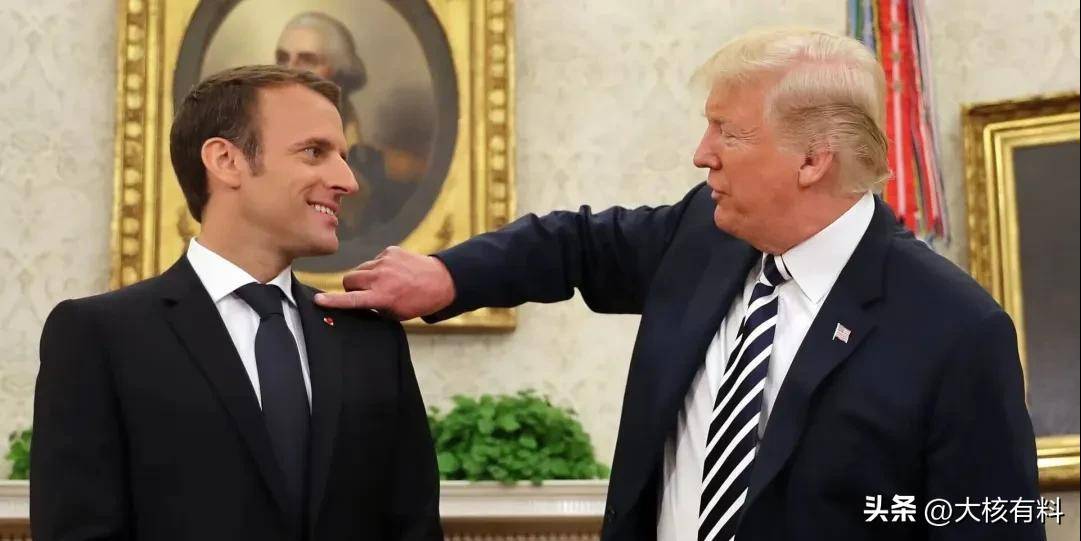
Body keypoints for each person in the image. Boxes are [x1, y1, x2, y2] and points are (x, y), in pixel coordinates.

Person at [316, 28, 1043, 540]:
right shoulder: (704, 234)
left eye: (727, 132)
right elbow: (574, 244)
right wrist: (448, 274)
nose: (702, 154)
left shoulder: (955, 330)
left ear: (813, 159)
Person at [31, 65, 442, 540]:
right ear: (226, 160)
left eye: (344, 157)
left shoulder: (371, 340)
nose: (347, 180)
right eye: (315, 152)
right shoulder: (99, 336)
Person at [275, 11, 425, 234]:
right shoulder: (251, 157)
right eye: (283, 58)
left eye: (307, 60)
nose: (289, 71)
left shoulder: (394, 172)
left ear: (340, 75)